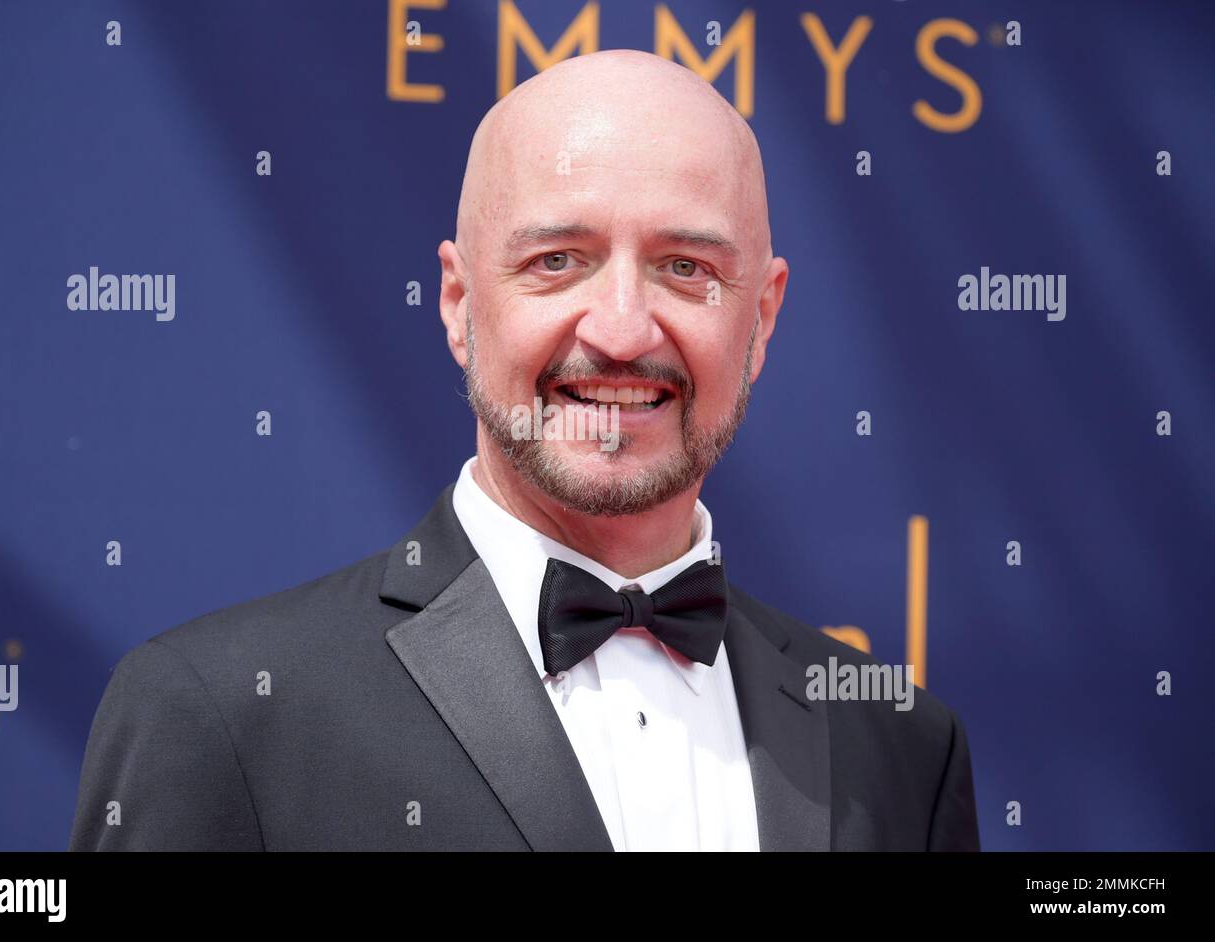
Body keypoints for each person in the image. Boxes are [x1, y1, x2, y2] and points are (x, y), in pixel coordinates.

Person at [69, 49, 980, 852]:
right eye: (558, 261)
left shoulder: (900, 743)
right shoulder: (221, 715)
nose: (622, 331)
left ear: (763, 317)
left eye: (686, 267)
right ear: (461, 305)